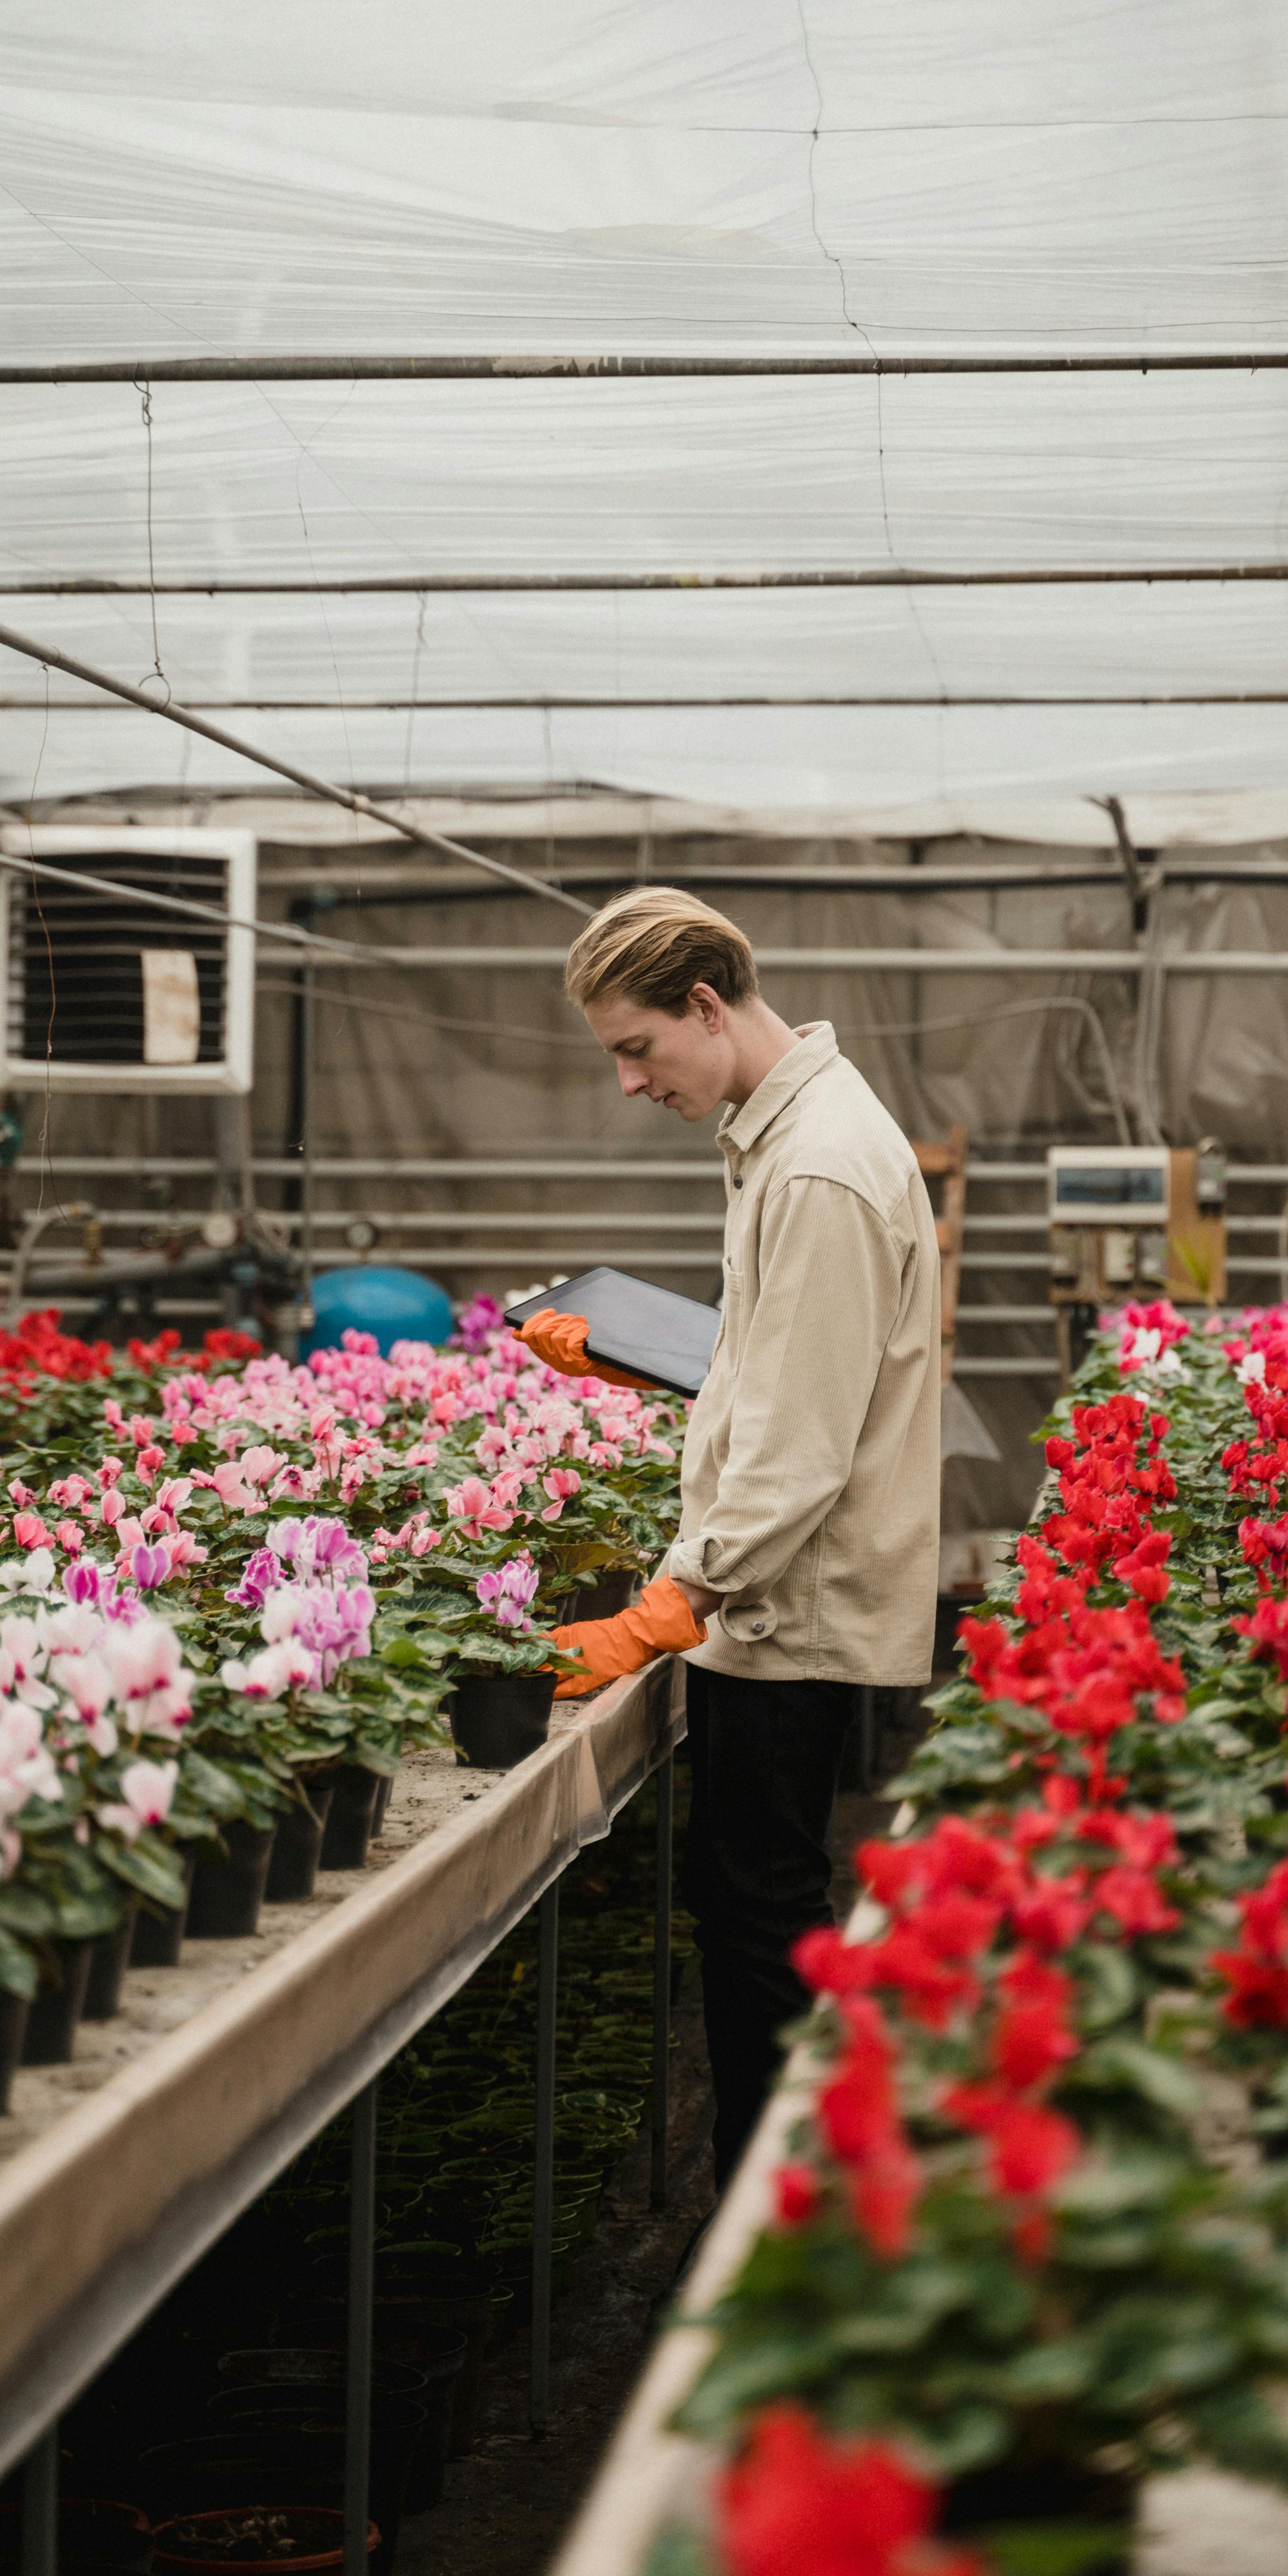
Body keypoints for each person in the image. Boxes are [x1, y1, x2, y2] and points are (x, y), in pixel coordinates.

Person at [517, 887, 940, 2189]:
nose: (632, 1082)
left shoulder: (815, 1165)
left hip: (786, 1616)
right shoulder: (789, 1136)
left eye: (637, 1048)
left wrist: (668, 1603)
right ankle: (780, 2192)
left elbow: (805, 1450)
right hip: (772, 1607)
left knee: (764, 1920)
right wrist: (653, 1354)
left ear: (707, 1005)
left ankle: (778, 2211)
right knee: (755, 1899)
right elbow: (794, 1367)